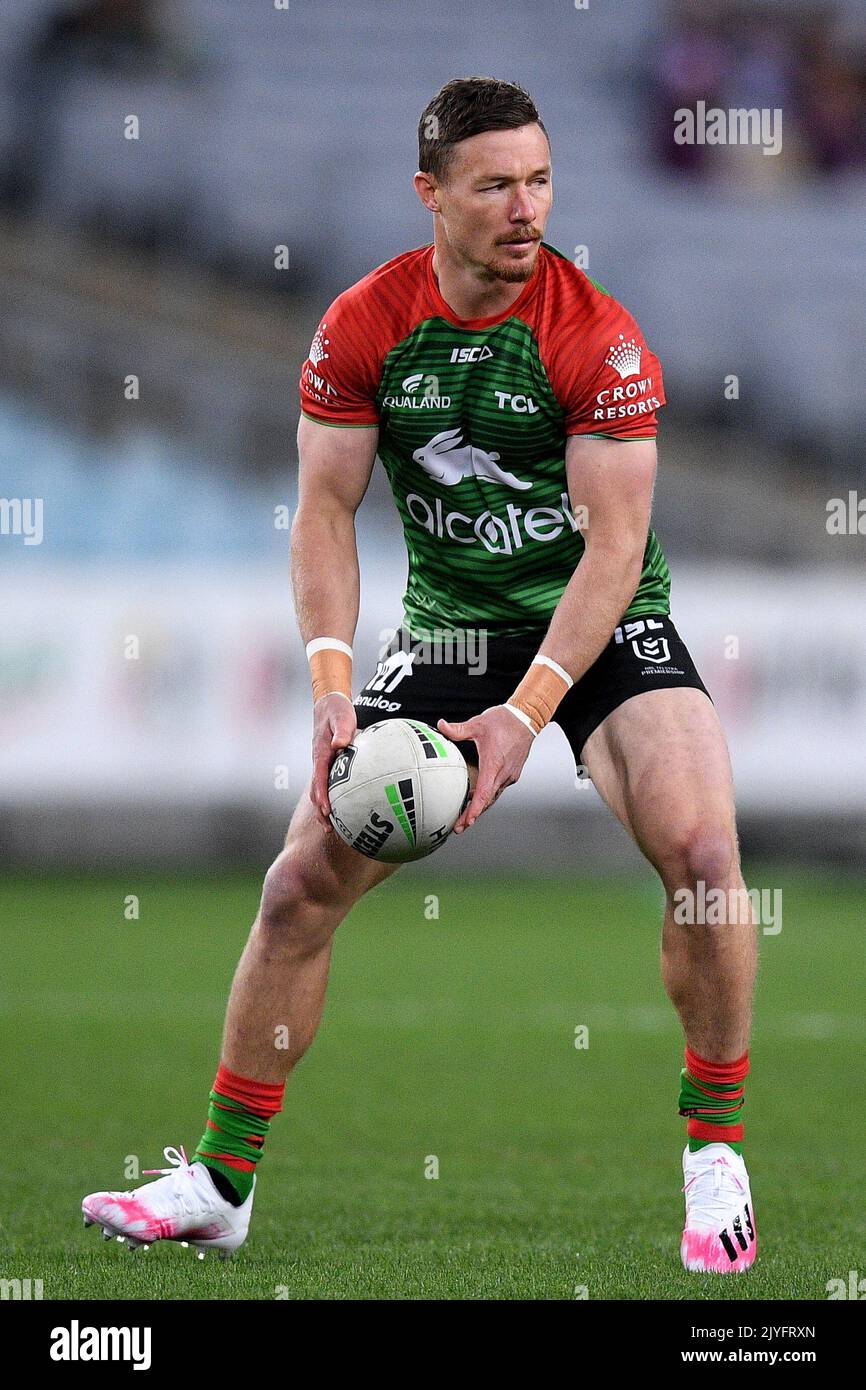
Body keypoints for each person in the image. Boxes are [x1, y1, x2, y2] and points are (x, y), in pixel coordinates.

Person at [82, 76, 758, 1275]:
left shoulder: (594, 333)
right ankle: (219, 1182)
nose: (524, 206)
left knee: (704, 860)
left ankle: (713, 1158)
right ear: (430, 194)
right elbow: (324, 512)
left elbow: (610, 556)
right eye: (494, 183)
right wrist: (333, 685)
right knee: (297, 885)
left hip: (599, 629)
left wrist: (521, 717)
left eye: (539, 179)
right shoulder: (363, 325)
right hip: (446, 633)